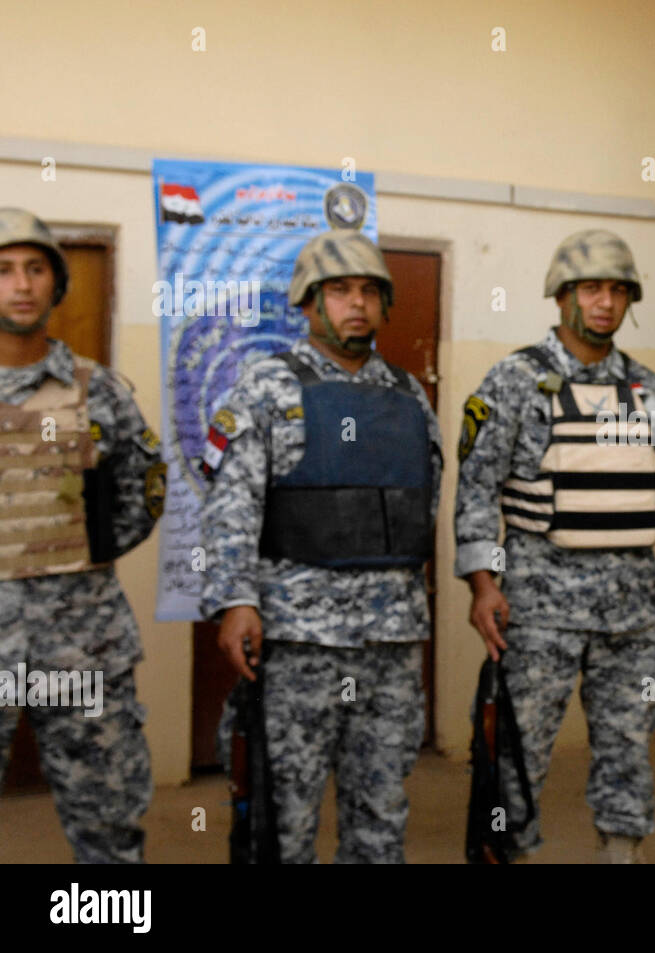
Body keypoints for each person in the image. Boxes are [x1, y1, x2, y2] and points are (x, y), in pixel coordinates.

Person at [202, 227, 442, 863]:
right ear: (309, 303)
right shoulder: (266, 386)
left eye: (369, 291)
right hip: (298, 640)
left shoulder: (410, 395)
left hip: (389, 642)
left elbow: (428, 498)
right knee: (284, 812)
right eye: (338, 291)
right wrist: (234, 600)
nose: (356, 304)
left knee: (381, 810)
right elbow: (232, 503)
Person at [455, 229, 655, 863]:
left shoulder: (652, 390)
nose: (604, 302)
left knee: (628, 741)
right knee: (518, 747)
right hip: (536, 608)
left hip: (630, 611)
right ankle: (509, 852)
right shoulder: (513, 381)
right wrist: (483, 583)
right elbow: (476, 488)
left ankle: (621, 852)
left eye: (617, 290)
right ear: (562, 296)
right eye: (591, 288)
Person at [0, 207, 164, 862]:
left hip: (81, 640)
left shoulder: (100, 392)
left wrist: (84, 553)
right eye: (5, 269)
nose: (20, 284)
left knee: (107, 820)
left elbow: (144, 490)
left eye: (35, 269)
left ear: (55, 284)